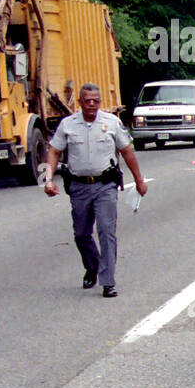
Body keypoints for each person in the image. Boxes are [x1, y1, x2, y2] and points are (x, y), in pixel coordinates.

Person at [43, 83, 147, 297]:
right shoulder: (68, 125)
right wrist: (48, 179)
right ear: (80, 102)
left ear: (100, 102)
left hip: (105, 185)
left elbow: (127, 152)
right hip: (79, 187)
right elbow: (54, 151)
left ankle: (108, 281)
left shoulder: (112, 123)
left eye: (96, 101)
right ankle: (92, 266)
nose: (91, 104)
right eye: (87, 100)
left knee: (106, 231)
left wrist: (139, 180)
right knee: (81, 234)